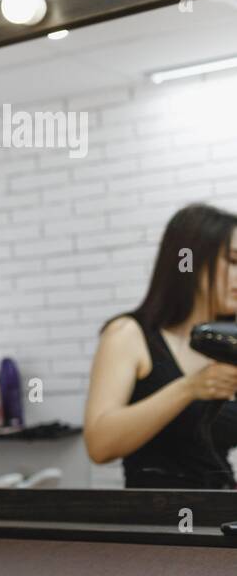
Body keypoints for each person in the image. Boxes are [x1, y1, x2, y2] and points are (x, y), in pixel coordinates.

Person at [85, 203, 237, 488]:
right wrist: (189, 388)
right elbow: (99, 445)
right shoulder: (128, 335)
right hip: (156, 517)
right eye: (234, 261)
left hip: (220, 513)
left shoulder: (228, 347)